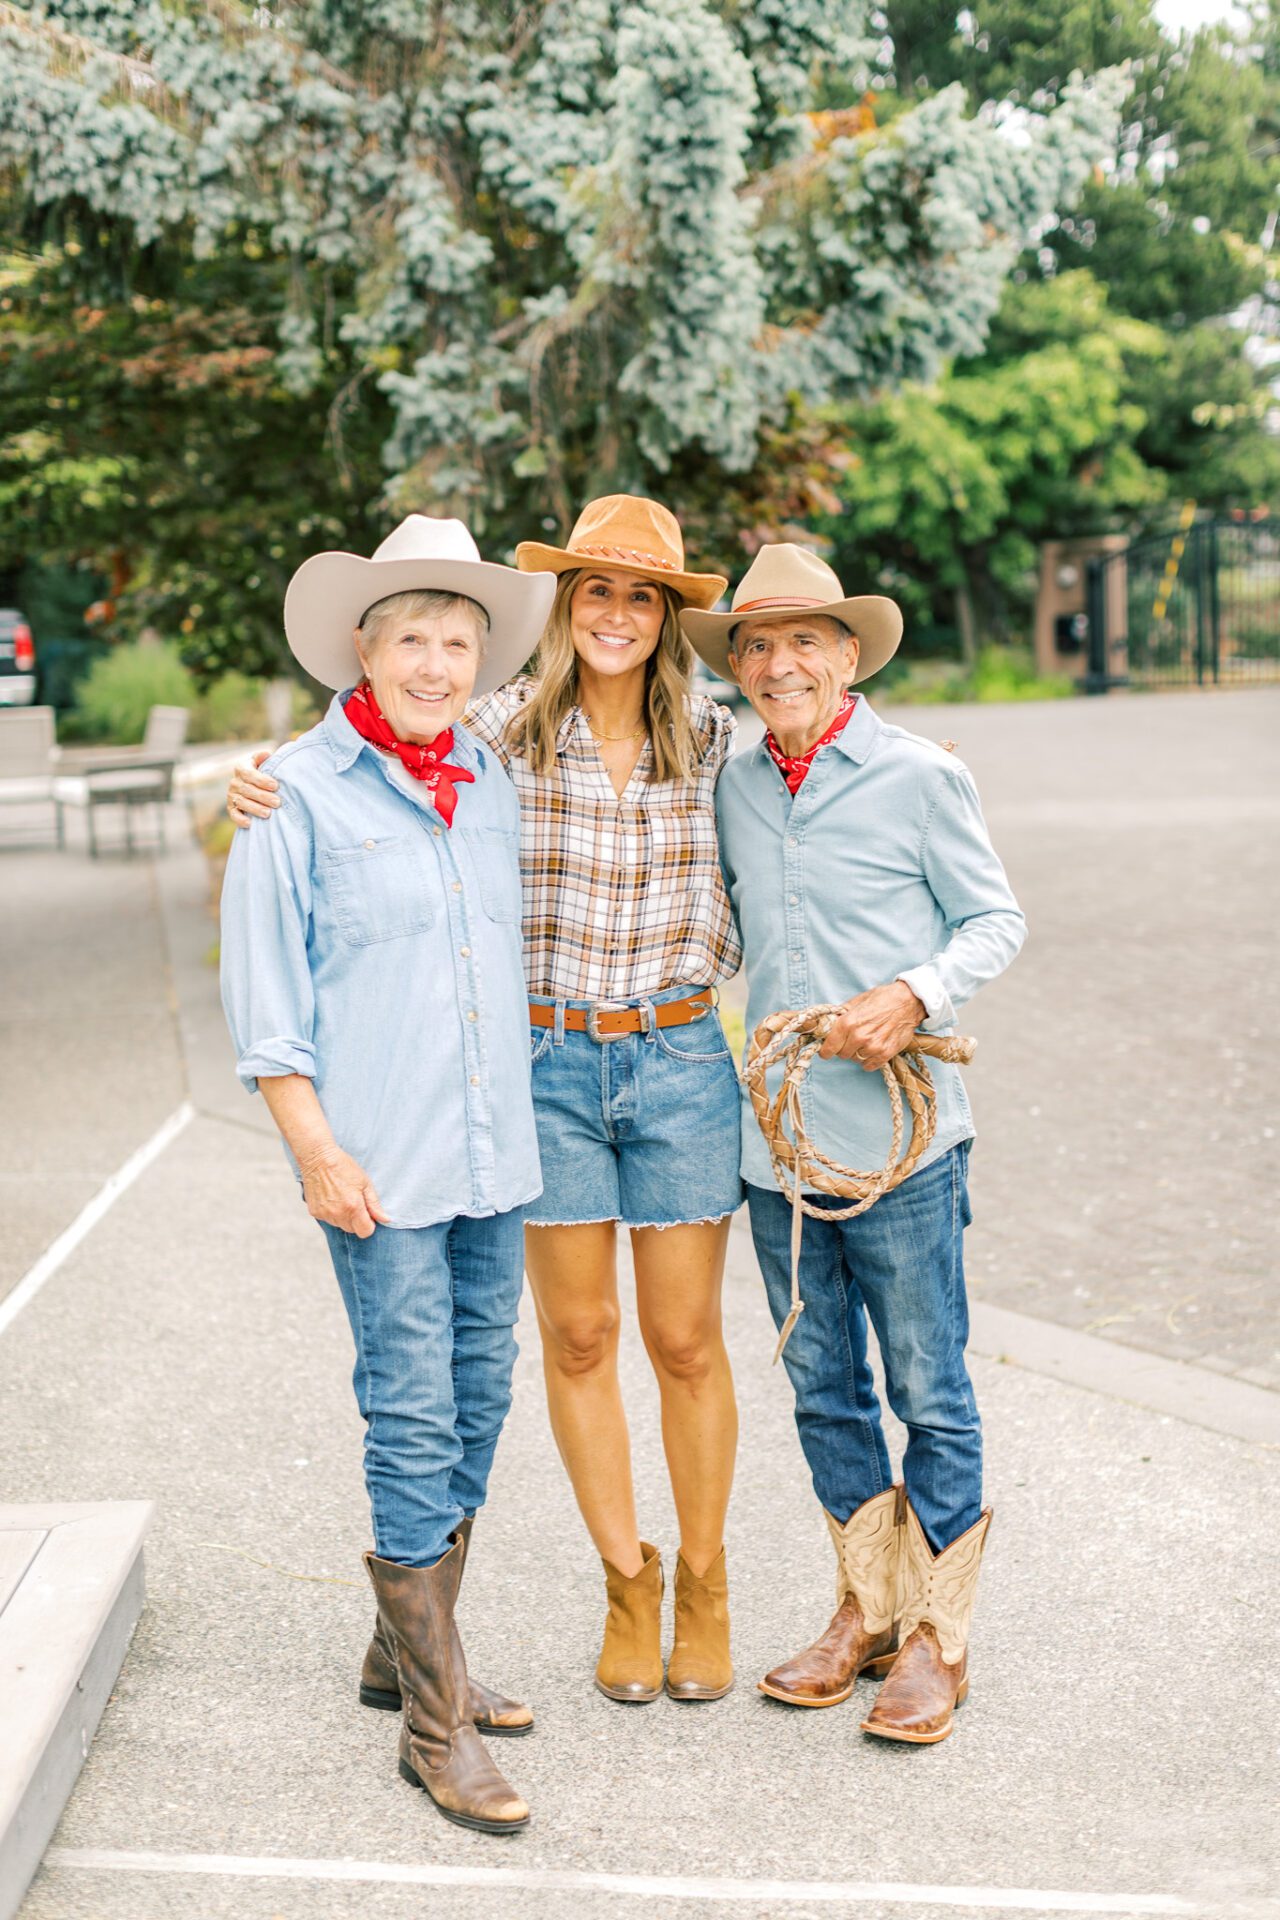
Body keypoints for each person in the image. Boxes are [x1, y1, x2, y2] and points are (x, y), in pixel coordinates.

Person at [227, 495, 745, 1706]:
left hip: (674, 1059)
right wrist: (262, 790)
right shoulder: (499, 731)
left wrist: (911, 760)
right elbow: (361, 766)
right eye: (595, 591)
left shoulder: (712, 736)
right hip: (543, 1071)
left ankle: (704, 1584)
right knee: (570, 1340)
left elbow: (811, 755)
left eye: (641, 595)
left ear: (667, 617)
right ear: (564, 608)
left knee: (679, 1341)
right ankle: (624, 1585)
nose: (616, 614)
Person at [219, 514, 554, 1831]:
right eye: (411, 637)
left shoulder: (496, 775)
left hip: (494, 1161)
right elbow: (265, 1001)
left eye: (455, 639)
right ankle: (436, 1723)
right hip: (377, 1170)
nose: (433, 661)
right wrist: (313, 1150)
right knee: (412, 1412)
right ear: (363, 649)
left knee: (479, 1398)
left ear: (480, 657)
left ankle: (406, 1646)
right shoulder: (291, 793)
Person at [682, 542, 1026, 1745]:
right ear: (738, 667)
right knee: (820, 1385)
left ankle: (938, 1635)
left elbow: (994, 918)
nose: (780, 663)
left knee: (928, 1386)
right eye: (758, 645)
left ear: (846, 655)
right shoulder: (729, 786)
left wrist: (913, 994)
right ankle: (862, 1608)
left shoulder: (922, 777)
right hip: (775, 1150)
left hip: (903, 1149)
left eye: (803, 642)